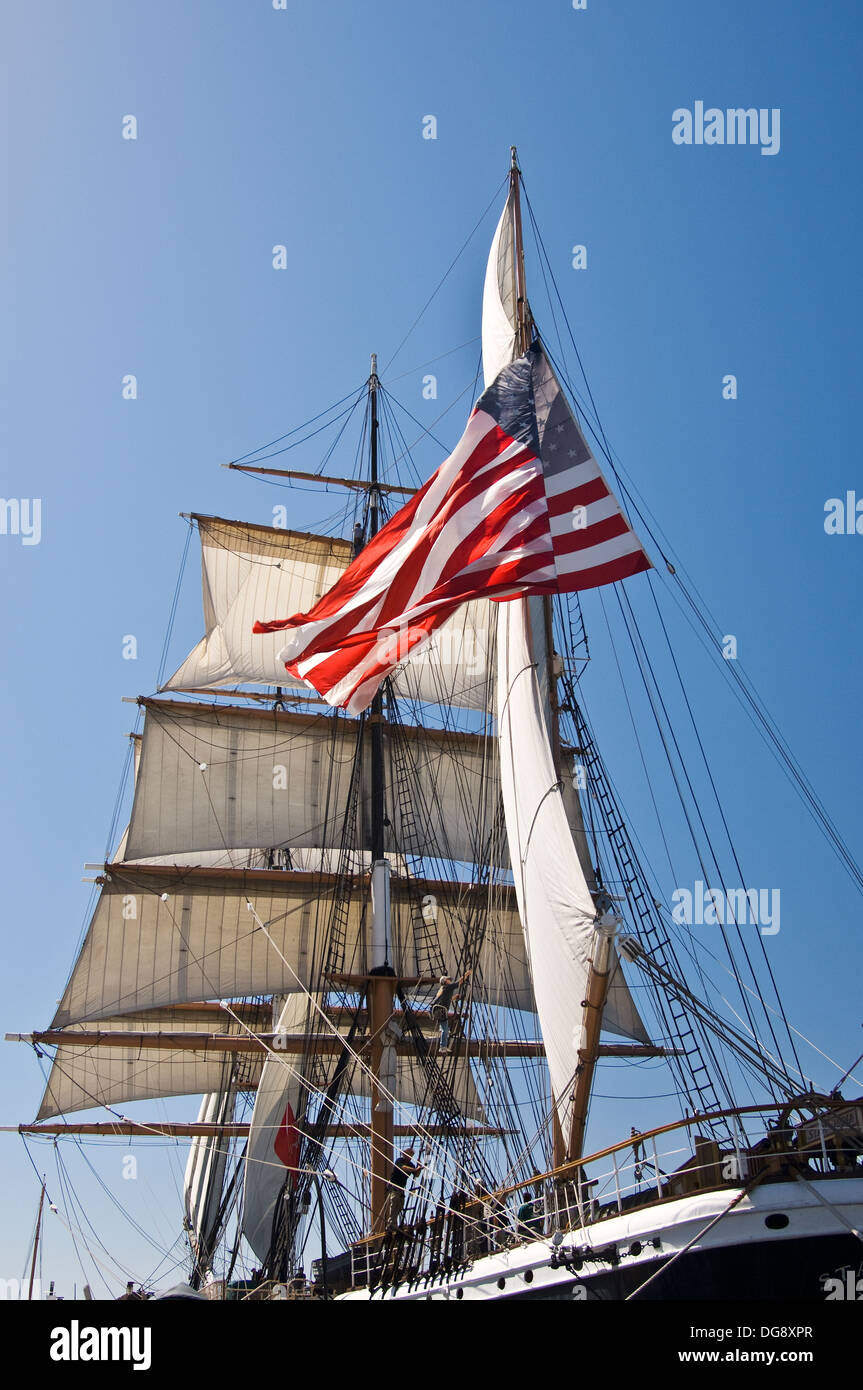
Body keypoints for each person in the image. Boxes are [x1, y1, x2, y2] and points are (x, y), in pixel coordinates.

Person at [383, 1147, 423, 1230]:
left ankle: (395, 1223)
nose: (408, 1156)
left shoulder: (411, 1164)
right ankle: (391, 1224)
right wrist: (415, 1169)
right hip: (393, 1186)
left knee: (400, 1206)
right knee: (395, 1200)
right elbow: (403, 1168)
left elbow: (416, 1175)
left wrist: (419, 1166)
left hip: (401, 1188)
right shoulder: (399, 1161)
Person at [431, 969, 471, 1050]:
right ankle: (442, 1046)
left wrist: (454, 998)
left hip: (438, 1010)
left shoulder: (444, 990)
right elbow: (459, 982)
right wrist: (466, 974)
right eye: (448, 979)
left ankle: (443, 1046)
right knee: (445, 1029)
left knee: (445, 1029)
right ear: (445, 981)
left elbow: (446, 999)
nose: (450, 980)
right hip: (441, 1010)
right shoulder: (448, 987)